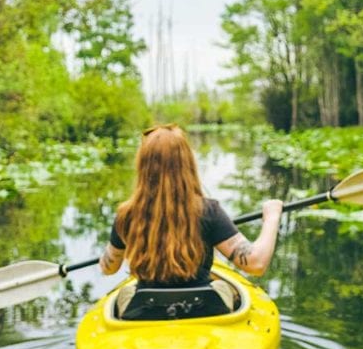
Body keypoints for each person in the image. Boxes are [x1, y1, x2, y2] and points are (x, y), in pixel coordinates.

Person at [99, 124, 282, 315]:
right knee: (225, 289)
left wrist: (108, 255)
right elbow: (256, 263)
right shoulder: (209, 211)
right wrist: (272, 217)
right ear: (186, 163)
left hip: (145, 311)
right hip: (202, 309)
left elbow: (108, 268)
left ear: (143, 166)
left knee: (126, 294)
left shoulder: (126, 215)